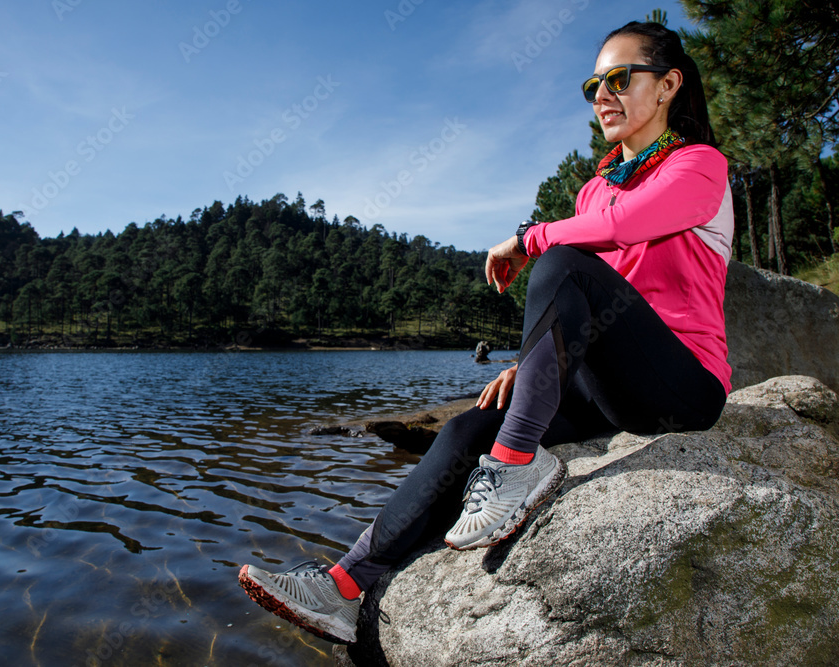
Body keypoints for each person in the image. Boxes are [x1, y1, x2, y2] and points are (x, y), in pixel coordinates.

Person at [238, 20, 734, 645]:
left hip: (683, 386)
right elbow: (583, 298)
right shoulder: (592, 193)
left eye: (618, 79)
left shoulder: (700, 166)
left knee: (558, 264)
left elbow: (631, 228)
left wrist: (530, 239)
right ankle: (344, 586)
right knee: (467, 427)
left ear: (667, 86)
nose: (602, 95)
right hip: (612, 388)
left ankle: (516, 467)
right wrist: (536, 361)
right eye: (592, 85)